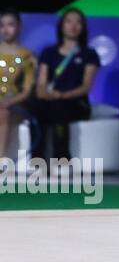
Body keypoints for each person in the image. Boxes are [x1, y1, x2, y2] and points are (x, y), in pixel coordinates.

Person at [34, 8, 100, 161]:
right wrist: (43, 93)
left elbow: (86, 87)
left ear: (83, 27)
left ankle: (62, 160)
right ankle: (37, 161)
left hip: (76, 103)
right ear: (61, 25)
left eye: (78, 22)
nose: (73, 26)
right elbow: (41, 82)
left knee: (59, 107)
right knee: (37, 108)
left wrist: (62, 95)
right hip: (51, 101)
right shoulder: (49, 52)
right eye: (69, 21)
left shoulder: (89, 54)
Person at [0, 8, 37, 161]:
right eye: (2, 25)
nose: (5, 29)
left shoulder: (27, 56)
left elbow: (27, 91)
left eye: (10, 25)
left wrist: (8, 102)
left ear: (19, 27)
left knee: (2, 112)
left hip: (14, 104)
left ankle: (1, 160)